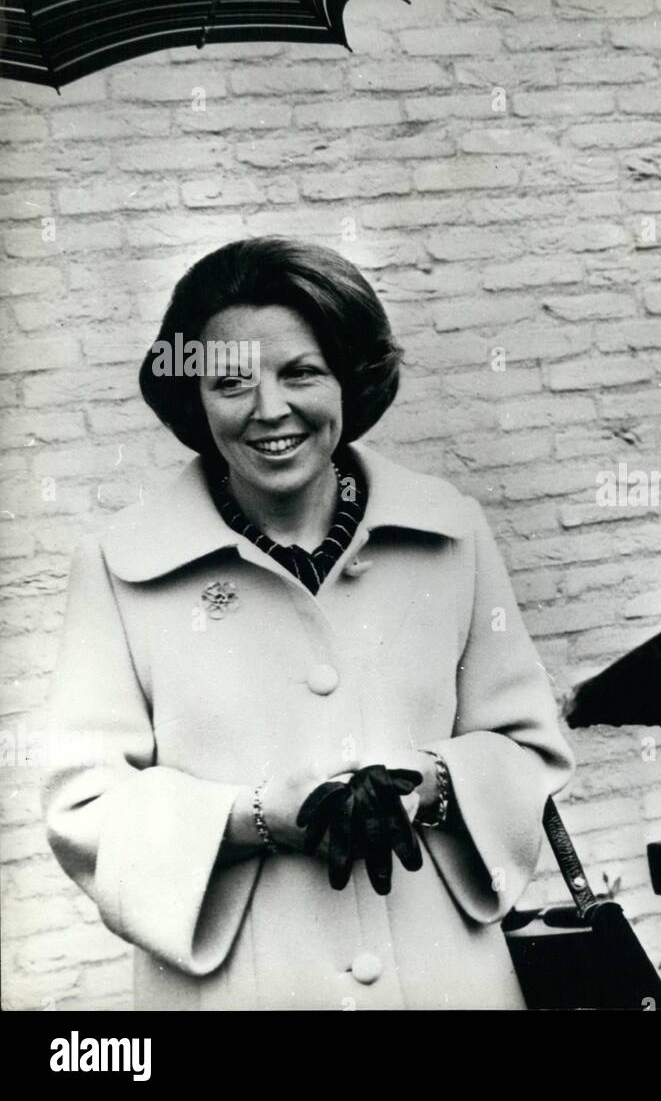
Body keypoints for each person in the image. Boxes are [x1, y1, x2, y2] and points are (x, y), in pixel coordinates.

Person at [42, 237, 575, 1009]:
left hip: (445, 979)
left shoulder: (451, 534)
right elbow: (82, 804)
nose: (270, 410)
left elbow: (528, 747)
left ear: (348, 381)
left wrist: (425, 785)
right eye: (231, 382)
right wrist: (255, 817)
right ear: (194, 397)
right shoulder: (119, 566)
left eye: (301, 372)